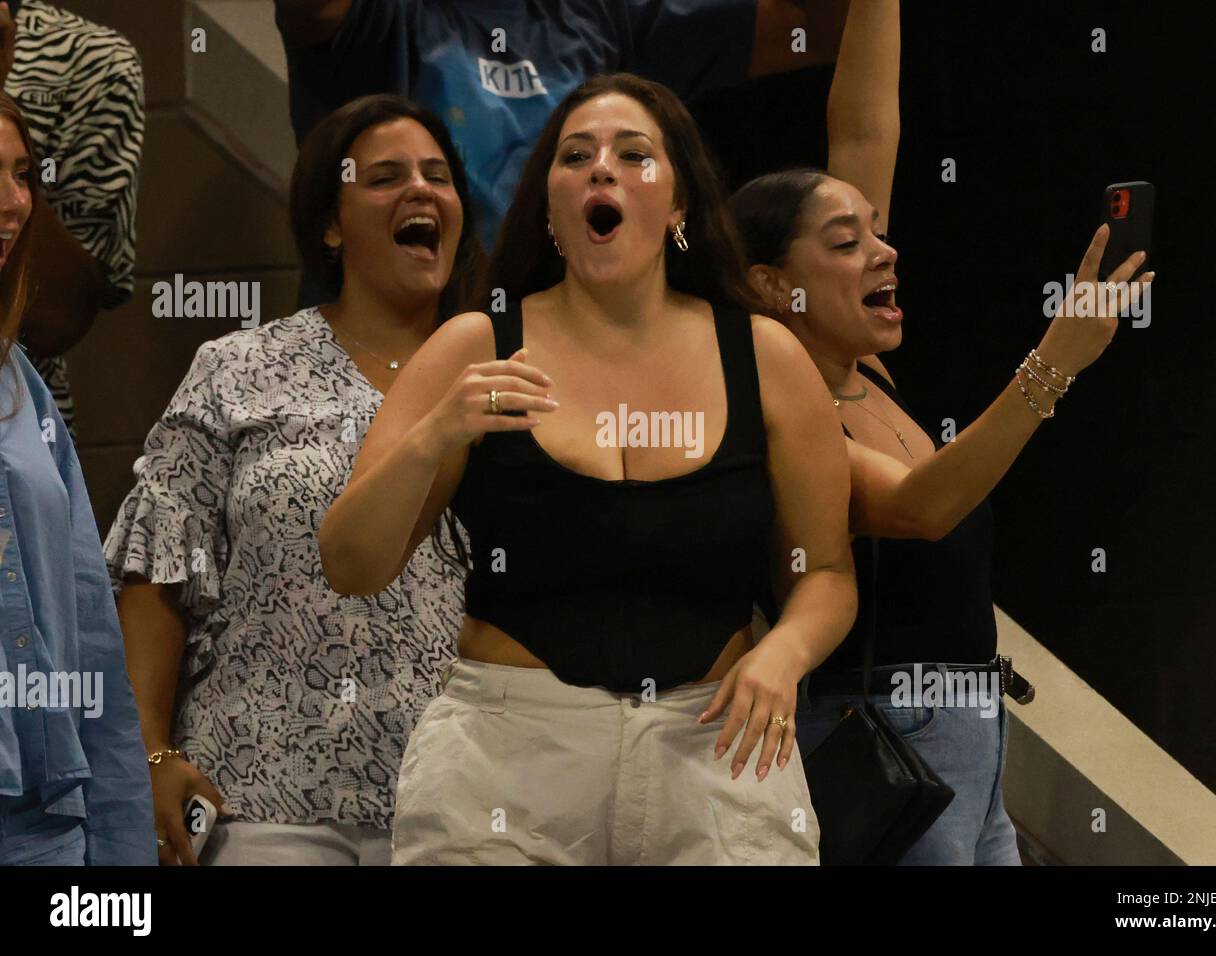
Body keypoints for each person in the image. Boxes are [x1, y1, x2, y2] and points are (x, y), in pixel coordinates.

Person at [320, 72, 858, 865]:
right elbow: (350, 564)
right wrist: (434, 434)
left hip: (716, 742)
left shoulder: (764, 355)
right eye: (576, 157)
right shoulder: (475, 345)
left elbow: (828, 572)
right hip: (508, 756)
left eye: (633, 155)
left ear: (678, 205)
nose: (602, 169)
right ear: (550, 207)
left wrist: (786, 650)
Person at [731, 0, 1153, 865]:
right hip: (883, 742)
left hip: (976, 739)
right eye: (846, 244)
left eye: (877, 232)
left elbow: (863, 130)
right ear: (774, 286)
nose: (885, 250)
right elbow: (922, 507)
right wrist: (1052, 366)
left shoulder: (863, 372)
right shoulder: (779, 410)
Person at [104, 95, 480, 866]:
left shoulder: (508, 375)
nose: (420, 189)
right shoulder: (238, 368)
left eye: (437, 176)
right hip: (262, 799)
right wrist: (150, 752)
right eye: (385, 177)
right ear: (330, 225)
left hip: (463, 803)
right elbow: (158, 568)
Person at [275, 0, 851, 250]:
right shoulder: (377, 17)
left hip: (562, 347)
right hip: (395, 350)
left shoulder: (601, 13)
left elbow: (820, 29)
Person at [0, 91, 154, 866]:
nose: (12, 201)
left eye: (22, 174)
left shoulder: (20, 382)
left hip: (42, 821)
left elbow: (89, 625)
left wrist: (121, 852)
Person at [0, 0, 145, 439]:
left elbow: (59, 319)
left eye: (23, 174)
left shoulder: (90, 59)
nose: (15, 199)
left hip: (20, 416)